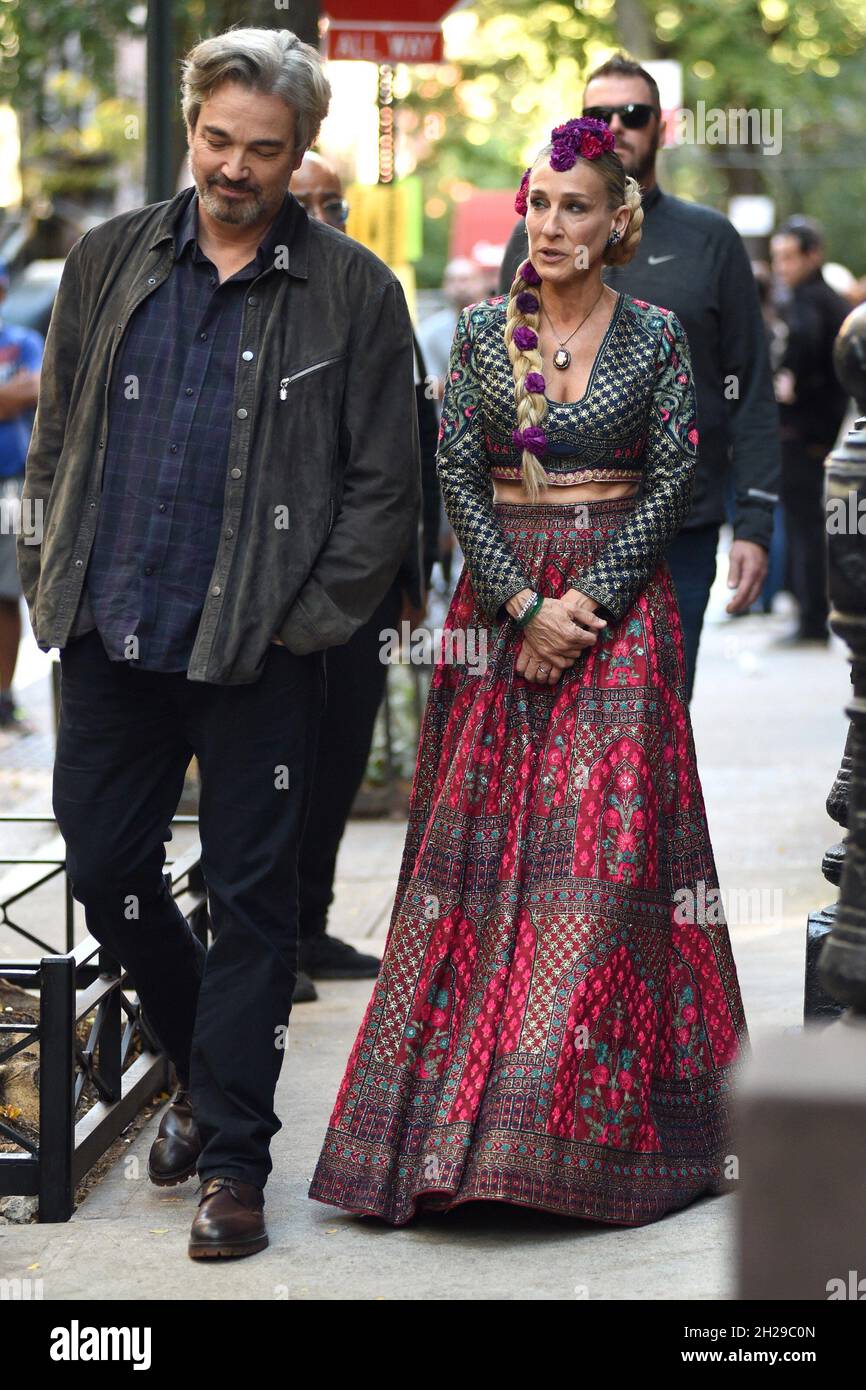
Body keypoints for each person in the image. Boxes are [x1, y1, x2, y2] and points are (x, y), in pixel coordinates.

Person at [18, 27, 420, 1260]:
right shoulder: (105, 259)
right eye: (215, 142)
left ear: (301, 153)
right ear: (191, 129)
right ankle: (204, 1067)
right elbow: (58, 438)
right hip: (112, 632)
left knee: (254, 908)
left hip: (259, 656)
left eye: (263, 149)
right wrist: (47, 577)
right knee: (104, 865)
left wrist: (305, 627)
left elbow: (380, 492)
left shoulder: (353, 291)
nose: (234, 169)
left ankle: (235, 1163)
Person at [308, 117, 749, 1228]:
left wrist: (584, 605)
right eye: (538, 204)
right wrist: (517, 606)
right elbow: (455, 473)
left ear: (616, 222)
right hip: (500, 609)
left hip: (619, 611)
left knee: (598, 867)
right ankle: (466, 1132)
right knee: (482, 865)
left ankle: (567, 1140)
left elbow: (670, 482)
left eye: (575, 208)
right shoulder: (474, 336)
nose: (550, 225)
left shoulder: (651, 335)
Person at [499, 55, 781, 703]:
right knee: (548, 735)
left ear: (663, 126)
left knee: (653, 728)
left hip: (677, 533)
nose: (617, 126)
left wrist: (756, 524)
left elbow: (752, 387)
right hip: (552, 528)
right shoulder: (537, 235)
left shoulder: (710, 241)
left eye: (634, 114)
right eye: (599, 114)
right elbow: (508, 385)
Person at [288, 150, 441, 1003]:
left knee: (342, 750)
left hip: (368, 580)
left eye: (334, 203)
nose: (319, 217)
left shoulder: (376, 292)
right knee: (275, 761)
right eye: (303, 201)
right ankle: (267, 938)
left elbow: (415, 448)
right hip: (272, 583)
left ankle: (309, 923)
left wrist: (412, 579)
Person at [770, 216, 850, 645]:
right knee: (807, 524)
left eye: (789, 257)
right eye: (777, 257)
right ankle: (811, 614)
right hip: (817, 429)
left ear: (812, 255)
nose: (782, 266)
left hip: (805, 431)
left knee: (805, 526)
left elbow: (804, 342)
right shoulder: (827, 300)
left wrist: (788, 377)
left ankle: (812, 620)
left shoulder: (810, 302)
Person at [0, 260, 43, 733]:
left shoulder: (24, 341)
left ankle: (3, 698)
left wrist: (14, 396)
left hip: (18, 485)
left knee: (14, 590)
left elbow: (36, 388)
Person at [417, 257, 490, 413]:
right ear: (444, 286)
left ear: (482, 283)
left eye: (466, 279)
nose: (459, 286)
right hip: (448, 425)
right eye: (453, 280)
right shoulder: (429, 332)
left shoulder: (500, 325)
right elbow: (427, 388)